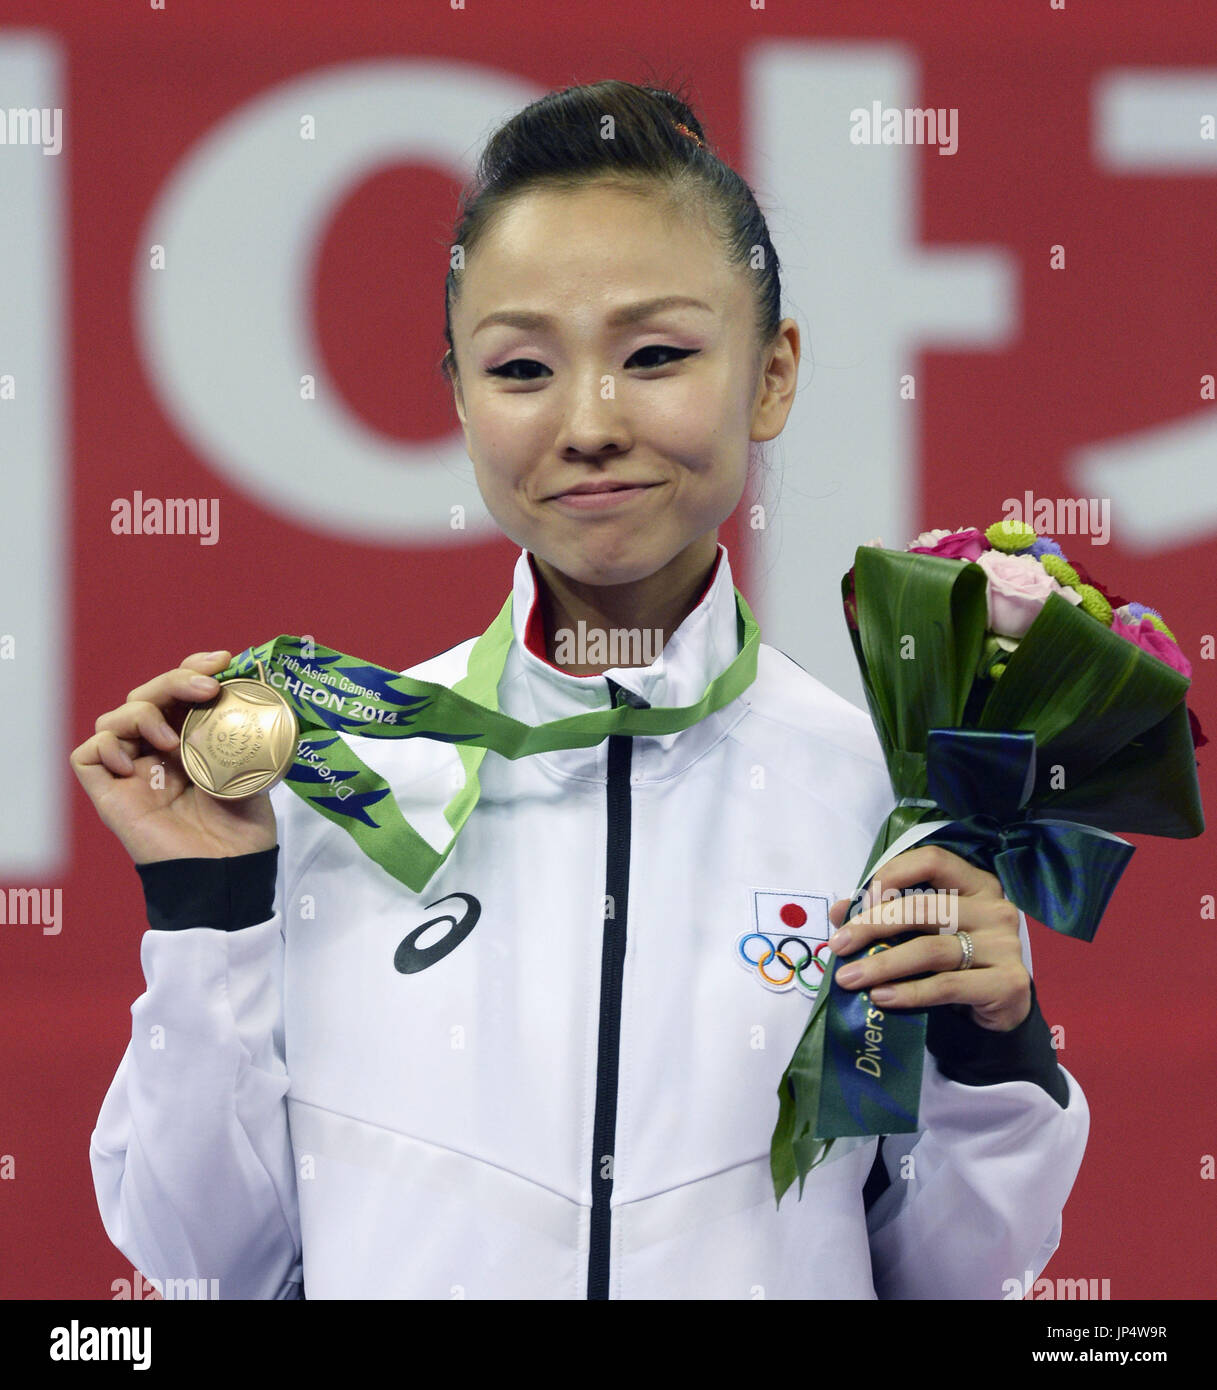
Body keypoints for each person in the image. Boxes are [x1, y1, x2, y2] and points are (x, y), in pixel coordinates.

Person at [71, 79, 1087, 1300]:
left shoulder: (884, 799)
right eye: (519, 368)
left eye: (654, 354)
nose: (589, 420)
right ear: (456, 396)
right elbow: (200, 1266)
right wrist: (208, 903)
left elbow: (951, 1280)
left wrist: (991, 1048)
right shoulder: (330, 786)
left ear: (771, 374)